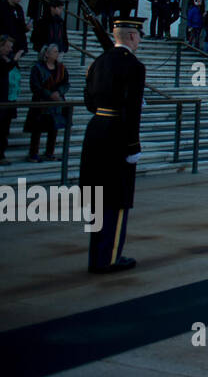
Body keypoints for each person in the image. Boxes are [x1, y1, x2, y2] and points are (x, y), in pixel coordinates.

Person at [81, 15, 147, 274]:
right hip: (118, 134)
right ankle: (108, 258)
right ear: (132, 36)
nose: (140, 40)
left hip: (96, 130)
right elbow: (132, 111)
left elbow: (89, 103)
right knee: (117, 199)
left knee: (97, 197)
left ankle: (95, 256)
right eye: (139, 35)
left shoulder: (98, 62)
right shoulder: (134, 66)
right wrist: (133, 146)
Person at [25, 44, 69, 162]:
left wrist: (59, 92)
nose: (57, 54)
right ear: (47, 54)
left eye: (57, 51)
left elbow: (66, 83)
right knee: (37, 129)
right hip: (41, 102)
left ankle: (50, 152)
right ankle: (33, 153)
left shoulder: (61, 68)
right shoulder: (38, 68)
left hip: (55, 104)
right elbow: (35, 86)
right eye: (54, 51)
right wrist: (49, 94)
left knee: (53, 128)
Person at [0, 35, 19, 165]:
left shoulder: (7, 59)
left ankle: (1, 153)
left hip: (8, 98)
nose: (10, 49)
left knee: (4, 129)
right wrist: (14, 60)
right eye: (7, 46)